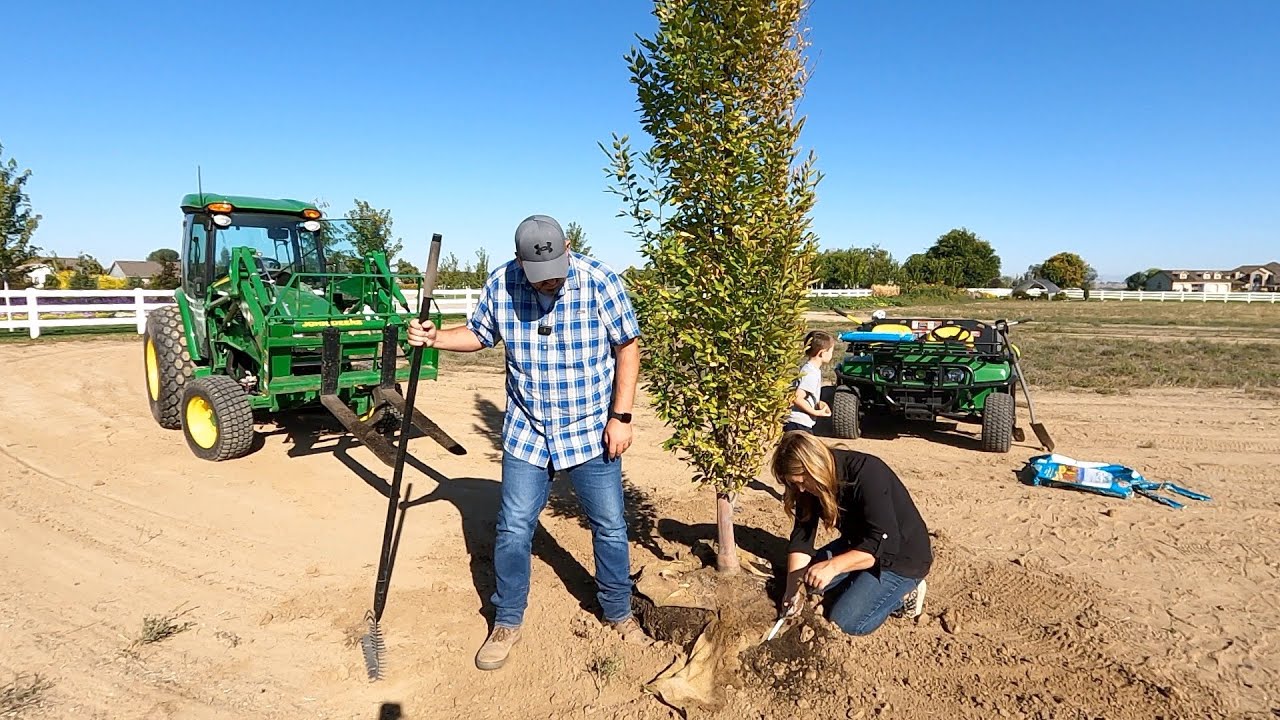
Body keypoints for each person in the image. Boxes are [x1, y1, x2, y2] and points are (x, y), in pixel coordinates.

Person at [406, 214, 644, 670]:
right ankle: (507, 618)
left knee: (609, 526)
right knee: (514, 527)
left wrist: (622, 417)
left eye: (554, 272)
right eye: (537, 277)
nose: (547, 283)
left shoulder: (600, 282)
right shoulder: (502, 282)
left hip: (590, 428)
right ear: (519, 261)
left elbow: (627, 347)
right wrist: (435, 339)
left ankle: (618, 611)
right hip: (528, 431)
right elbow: (478, 334)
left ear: (568, 247)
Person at [771, 431, 931, 636]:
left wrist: (834, 566)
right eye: (794, 484)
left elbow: (881, 543)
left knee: (846, 621)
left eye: (801, 482)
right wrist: (792, 589)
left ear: (814, 468)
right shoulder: (807, 487)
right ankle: (858, 581)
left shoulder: (867, 473)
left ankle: (906, 596)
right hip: (857, 545)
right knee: (808, 581)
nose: (800, 490)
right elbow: (802, 537)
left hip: (899, 557)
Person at [783, 331, 836, 434]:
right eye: (830, 352)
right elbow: (797, 397)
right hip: (799, 423)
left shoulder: (810, 369)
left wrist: (818, 403)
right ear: (822, 353)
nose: (831, 355)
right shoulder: (811, 373)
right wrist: (815, 412)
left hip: (799, 423)